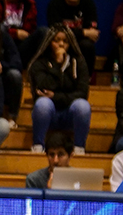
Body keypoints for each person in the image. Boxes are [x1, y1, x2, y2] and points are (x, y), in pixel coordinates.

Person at [28, 24, 91, 154]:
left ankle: (79, 148)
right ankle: (38, 145)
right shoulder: (40, 63)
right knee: (42, 103)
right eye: (56, 40)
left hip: (70, 113)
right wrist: (57, 63)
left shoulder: (79, 62)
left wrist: (55, 96)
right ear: (49, 42)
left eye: (65, 41)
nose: (61, 44)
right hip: (47, 115)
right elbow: (43, 88)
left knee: (83, 106)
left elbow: (82, 93)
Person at [47, 0, 99, 76]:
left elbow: (93, 34)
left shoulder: (89, 5)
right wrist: (83, 32)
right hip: (59, 43)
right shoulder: (54, 5)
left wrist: (75, 34)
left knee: (87, 45)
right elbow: (56, 32)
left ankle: (86, 79)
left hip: (80, 45)